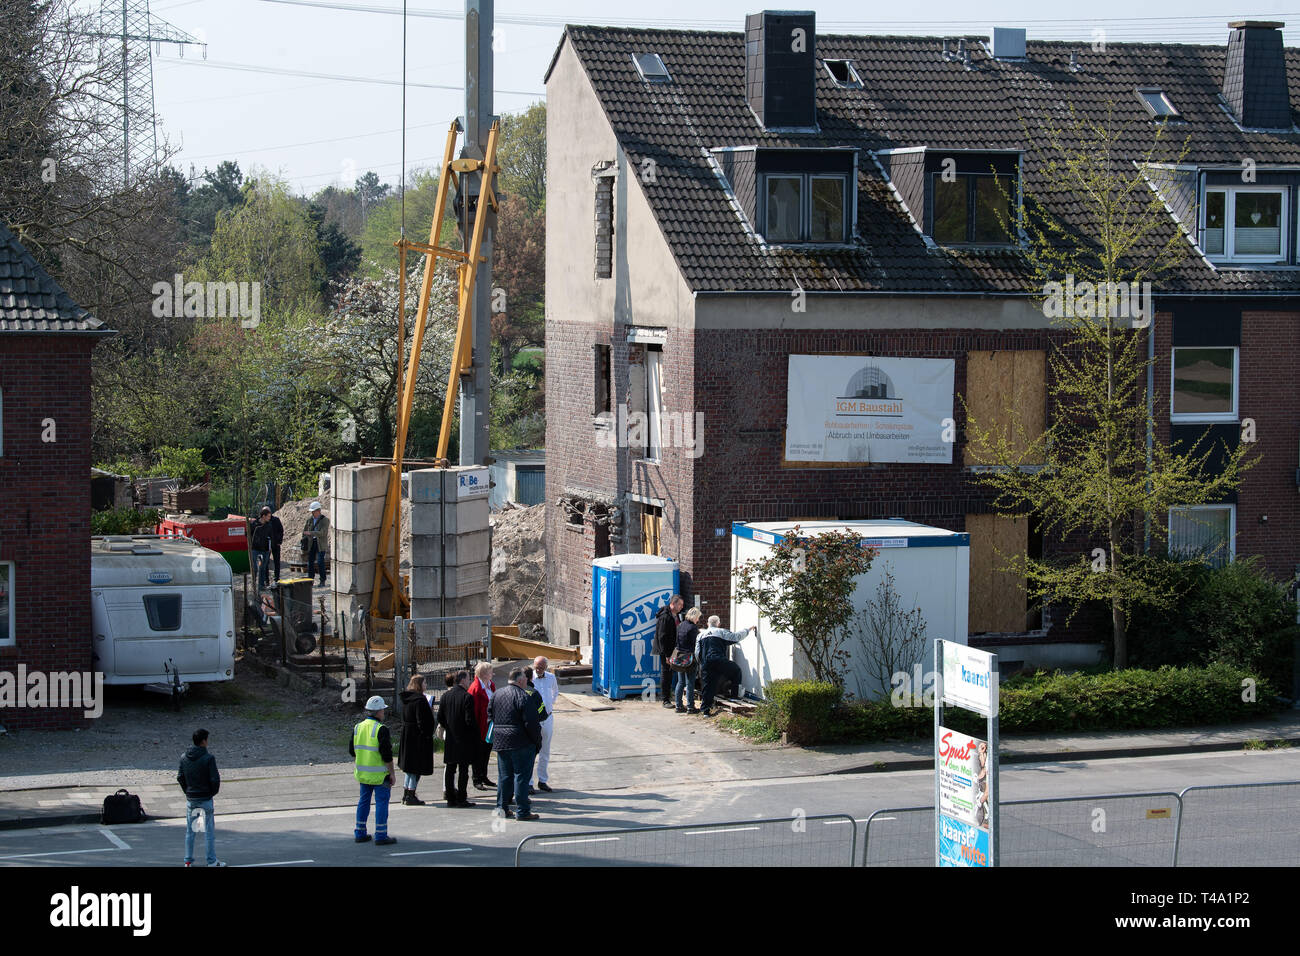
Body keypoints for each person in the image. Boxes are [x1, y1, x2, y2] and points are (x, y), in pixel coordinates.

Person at [488, 668, 543, 821]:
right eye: (526, 678)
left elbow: (490, 715)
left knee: (504, 776)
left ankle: (502, 808)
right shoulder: (524, 697)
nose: (527, 681)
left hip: (501, 741)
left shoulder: (497, 694)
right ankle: (523, 810)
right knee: (521, 777)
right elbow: (532, 723)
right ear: (520, 681)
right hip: (521, 742)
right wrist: (537, 742)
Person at [350, 695, 398, 845]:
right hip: (379, 775)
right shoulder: (381, 729)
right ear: (378, 712)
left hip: (363, 774)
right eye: (383, 710)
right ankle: (381, 835)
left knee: (363, 802)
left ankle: (360, 832)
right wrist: (392, 773)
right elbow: (386, 755)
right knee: (381, 803)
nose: (384, 712)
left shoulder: (358, 727)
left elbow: (352, 751)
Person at [178, 728, 225, 867]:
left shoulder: (184, 757)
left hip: (192, 799)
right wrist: (211, 793)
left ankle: (188, 861)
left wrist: (187, 791)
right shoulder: (208, 758)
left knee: (191, 831)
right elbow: (215, 779)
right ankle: (211, 861)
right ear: (204, 741)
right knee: (209, 831)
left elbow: (180, 777)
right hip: (205, 798)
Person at [696, 615, 755, 716]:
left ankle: (705, 710)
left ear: (707, 624)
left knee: (707, 685)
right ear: (718, 624)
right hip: (719, 660)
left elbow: (697, 652)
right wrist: (748, 630)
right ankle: (734, 696)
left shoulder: (700, 635)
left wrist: (701, 663)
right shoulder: (721, 632)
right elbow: (736, 637)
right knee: (736, 671)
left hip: (707, 662)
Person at [437, 670, 477, 807]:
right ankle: (461, 797)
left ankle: (450, 798)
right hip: (464, 738)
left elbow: (440, 717)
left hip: (451, 738)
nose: (469, 682)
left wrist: (448, 726)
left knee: (450, 768)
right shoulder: (467, 697)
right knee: (463, 769)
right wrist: (473, 734)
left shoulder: (445, 696)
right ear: (463, 680)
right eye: (468, 679)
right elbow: (469, 720)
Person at [398, 674, 435, 806]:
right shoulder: (420, 700)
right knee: (415, 767)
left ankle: (406, 793)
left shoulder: (407, 699)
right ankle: (411, 794)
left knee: (409, 768)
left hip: (407, 735)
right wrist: (427, 734)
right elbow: (423, 721)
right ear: (419, 685)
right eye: (424, 683)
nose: (426, 685)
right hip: (417, 738)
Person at [531, 656, 559, 792]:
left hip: (547, 718)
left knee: (545, 750)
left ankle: (542, 780)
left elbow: (555, 692)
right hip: (533, 720)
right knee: (531, 750)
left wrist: (549, 705)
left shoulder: (551, 677)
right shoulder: (529, 677)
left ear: (546, 667)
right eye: (537, 667)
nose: (539, 669)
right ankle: (529, 782)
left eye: (541, 667)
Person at [467, 662, 496, 790]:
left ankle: (484, 776)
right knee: (478, 754)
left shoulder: (491, 685)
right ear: (484, 674)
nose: (493, 674)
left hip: (489, 725)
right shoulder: (475, 688)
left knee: (486, 752)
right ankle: (476, 778)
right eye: (490, 672)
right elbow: (474, 711)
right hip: (480, 726)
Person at [655, 594, 684, 709]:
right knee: (666, 674)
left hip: (674, 649)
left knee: (671, 673)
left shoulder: (675, 615)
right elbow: (662, 637)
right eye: (680, 604)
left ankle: (669, 695)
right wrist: (667, 655)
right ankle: (665, 699)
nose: (682, 607)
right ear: (673, 604)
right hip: (667, 650)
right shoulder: (665, 617)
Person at [674, 607, 702, 713]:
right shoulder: (693, 628)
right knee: (690, 683)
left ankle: (678, 706)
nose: (698, 620)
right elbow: (696, 643)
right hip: (689, 657)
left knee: (680, 682)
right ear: (694, 616)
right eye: (698, 617)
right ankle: (690, 707)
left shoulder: (680, 625)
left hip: (679, 656)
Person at [302, 501, 329, 587]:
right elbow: (305, 531)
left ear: (319, 511)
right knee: (310, 562)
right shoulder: (309, 520)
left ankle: (322, 580)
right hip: (311, 544)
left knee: (320, 562)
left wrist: (312, 533)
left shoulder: (325, 520)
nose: (313, 513)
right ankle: (310, 580)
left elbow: (323, 533)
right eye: (312, 512)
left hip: (320, 544)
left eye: (314, 511)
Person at [249, 510, 273, 592]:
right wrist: (253, 542)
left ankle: (261, 586)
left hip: (265, 550)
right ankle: (253, 585)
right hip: (255, 549)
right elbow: (247, 534)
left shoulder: (269, 525)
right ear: (263, 516)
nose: (270, 518)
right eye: (268, 516)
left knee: (263, 568)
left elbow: (271, 536)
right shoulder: (254, 524)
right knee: (255, 568)